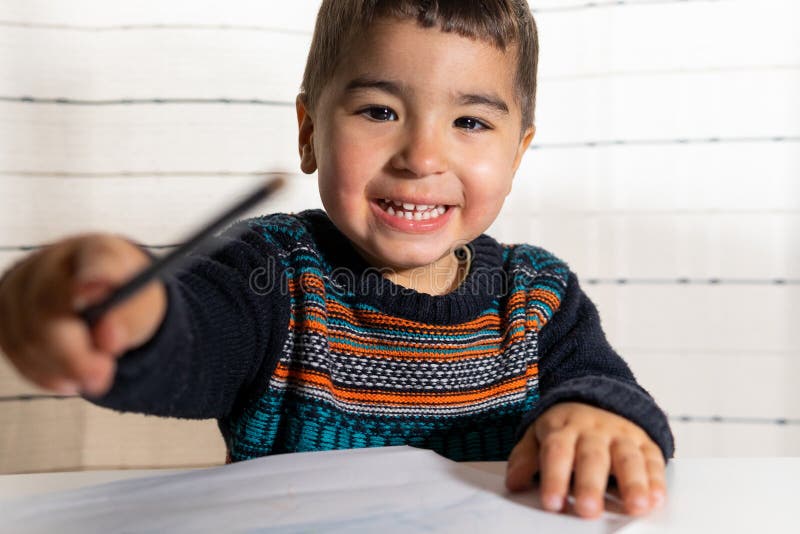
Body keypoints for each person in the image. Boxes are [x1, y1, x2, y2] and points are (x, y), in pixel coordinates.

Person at [0, 0, 673, 520]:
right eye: (379, 111)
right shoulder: (274, 274)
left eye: (470, 122)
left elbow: (611, 395)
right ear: (309, 132)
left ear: (517, 153)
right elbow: (193, 337)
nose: (422, 158)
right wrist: (131, 309)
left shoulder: (538, 295)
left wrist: (599, 420)